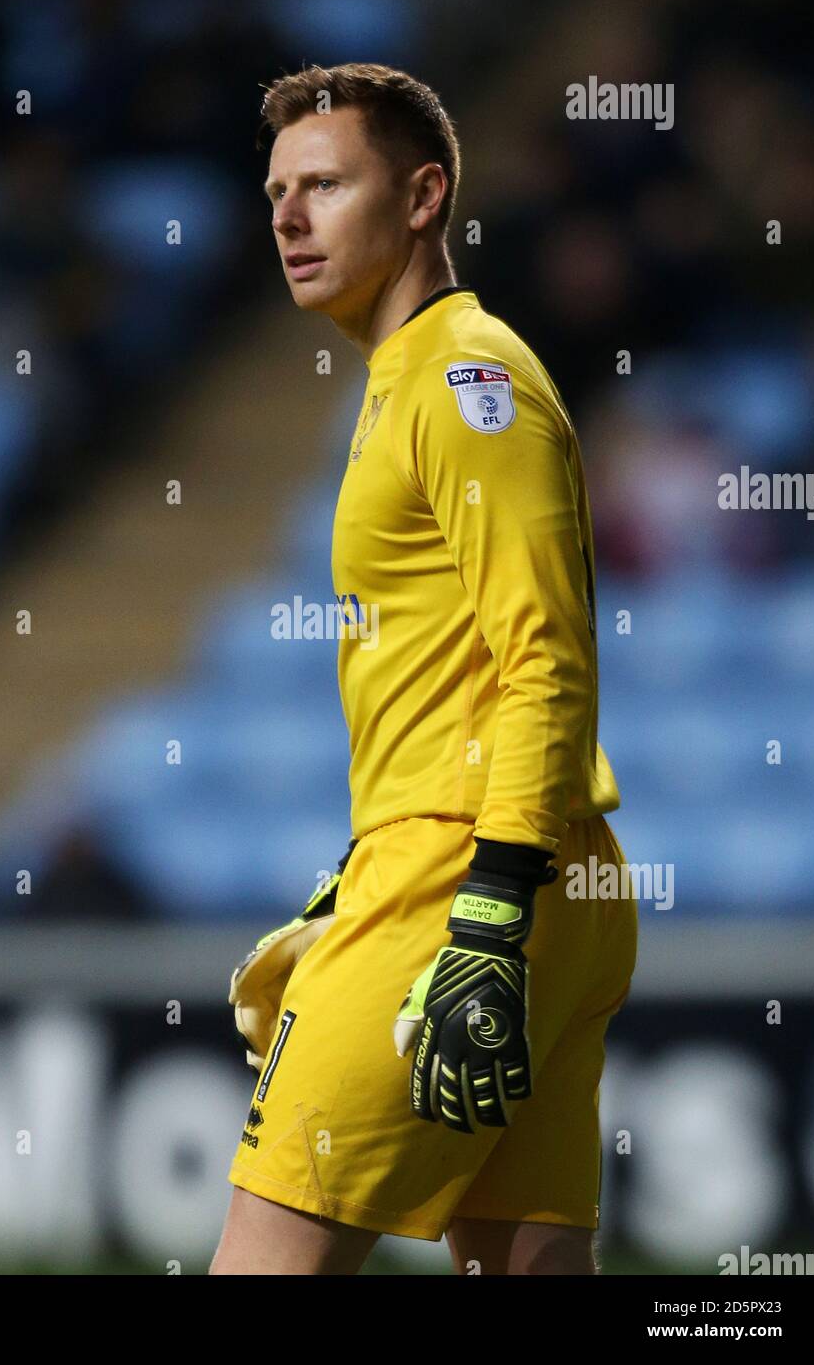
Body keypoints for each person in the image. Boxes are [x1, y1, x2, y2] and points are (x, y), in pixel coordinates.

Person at [211, 62, 637, 1276]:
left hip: (467, 879)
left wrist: (486, 911)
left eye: (327, 184)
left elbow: (544, 652)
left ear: (421, 196)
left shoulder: (465, 383)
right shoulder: (410, 377)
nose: (289, 217)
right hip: (529, 873)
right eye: (278, 191)